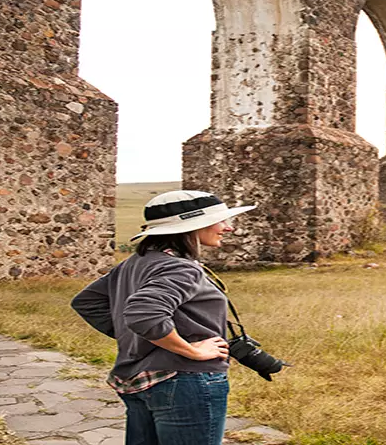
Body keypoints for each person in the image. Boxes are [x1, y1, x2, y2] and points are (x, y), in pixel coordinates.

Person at [71, 190, 256, 445]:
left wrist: (144, 339)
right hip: (186, 381)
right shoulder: (180, 266)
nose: (228, 227)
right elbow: (144, 314)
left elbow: (87, 302)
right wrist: (191, 351)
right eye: (220, 220)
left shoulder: (137, 261)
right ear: (192, 225)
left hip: (143, 380)